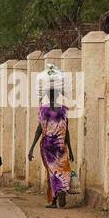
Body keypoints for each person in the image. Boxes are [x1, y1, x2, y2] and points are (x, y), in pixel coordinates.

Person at [28, 77, 76, 208]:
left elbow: (39, 129)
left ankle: (54, 200)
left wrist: (32, 147)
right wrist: (70, 150)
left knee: (52, 172)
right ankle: (62, 191)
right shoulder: (63, 111)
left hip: (48, 146)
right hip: (61, 145)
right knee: (63, 169)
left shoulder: (44, 111)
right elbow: (67, 131)